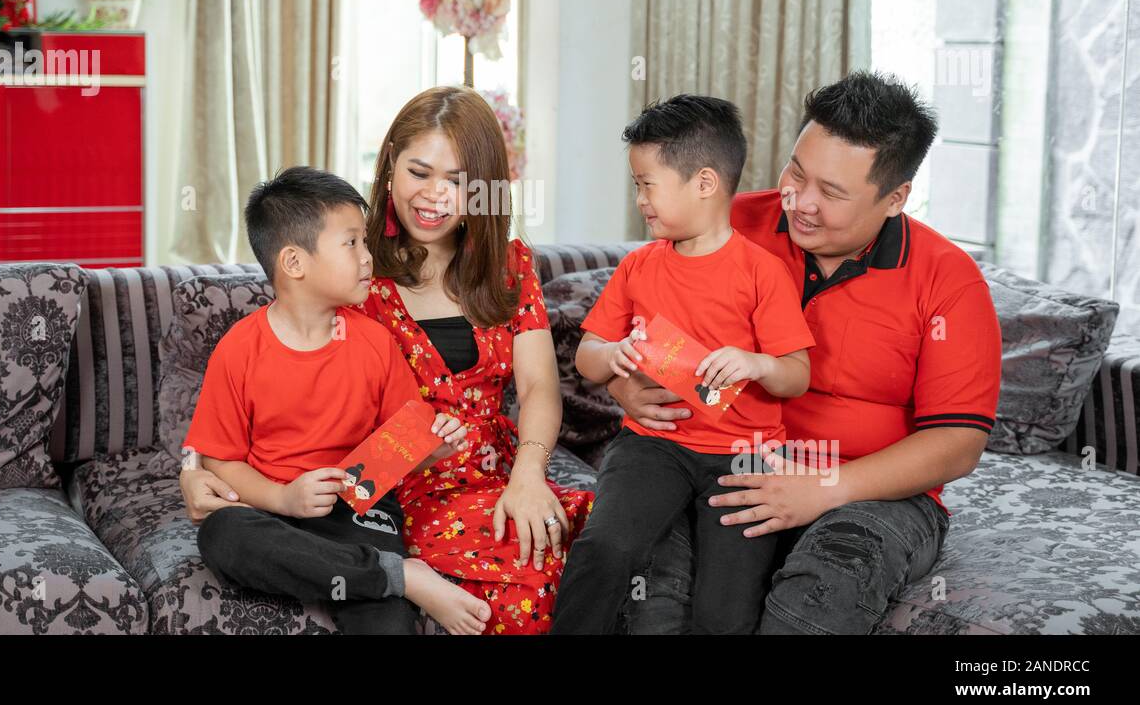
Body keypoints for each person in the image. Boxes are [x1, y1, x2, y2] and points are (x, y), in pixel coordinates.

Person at [182, 87, 593, 635]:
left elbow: (540, 387)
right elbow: (279, 360)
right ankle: (410, 575)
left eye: (458, 181)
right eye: (419, 172)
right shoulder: (351, 267)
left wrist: (529, 473)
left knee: (605, 542)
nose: (435, 196)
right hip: (393, 482)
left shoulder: (509, 266)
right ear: (391, 165)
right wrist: (195, 466)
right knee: (532, 570)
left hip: (494, 469)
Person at [609, 72, 1003, 634]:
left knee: (815, 603)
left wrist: (824, 489)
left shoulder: (949, 282)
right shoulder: (725, 223)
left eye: (833, 192)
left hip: (870, 488)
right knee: (653, 596)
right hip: (719, 457)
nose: (801, 202)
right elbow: (624, 329)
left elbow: (958, 444)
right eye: (797, 172)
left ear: (895, 198)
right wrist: (625, 385)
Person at [187, 166, 491, 634]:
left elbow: (402, 441)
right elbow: (219, 462)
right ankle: (399, 577)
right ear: (294, 263)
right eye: (351, 244)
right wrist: (284, 498)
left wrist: (435, 444)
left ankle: (380, 575)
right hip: (275, 513)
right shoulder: (239, 349)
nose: (368, 258)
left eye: (365, 243)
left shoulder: (373, 341)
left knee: (386, 625)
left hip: (361, 510)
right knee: (223, 534)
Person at [551, 95, 814, 634]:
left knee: (725, 611)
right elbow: (587, 358)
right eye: (637, 184)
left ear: (705, 183)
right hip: (653, 444)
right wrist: (612, 355)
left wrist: (756, 364)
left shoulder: (761, 273)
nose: (640, 200)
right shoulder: (638, 266)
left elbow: (797, 373)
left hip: (744, 457)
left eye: (648, 184)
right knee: (604, 550)